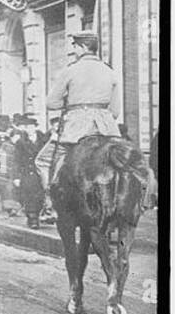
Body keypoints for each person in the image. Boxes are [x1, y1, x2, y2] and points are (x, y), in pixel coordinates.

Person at [34, 30, 123, 194]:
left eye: (75, 46)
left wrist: (70, 103)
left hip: (75, 130)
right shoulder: (110, 71)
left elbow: (51, 103)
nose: (74, 50)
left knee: (43, 161)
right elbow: (115, 111)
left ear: (82, 47)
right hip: (107, 129)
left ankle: (50, 202)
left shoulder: (70, 70)